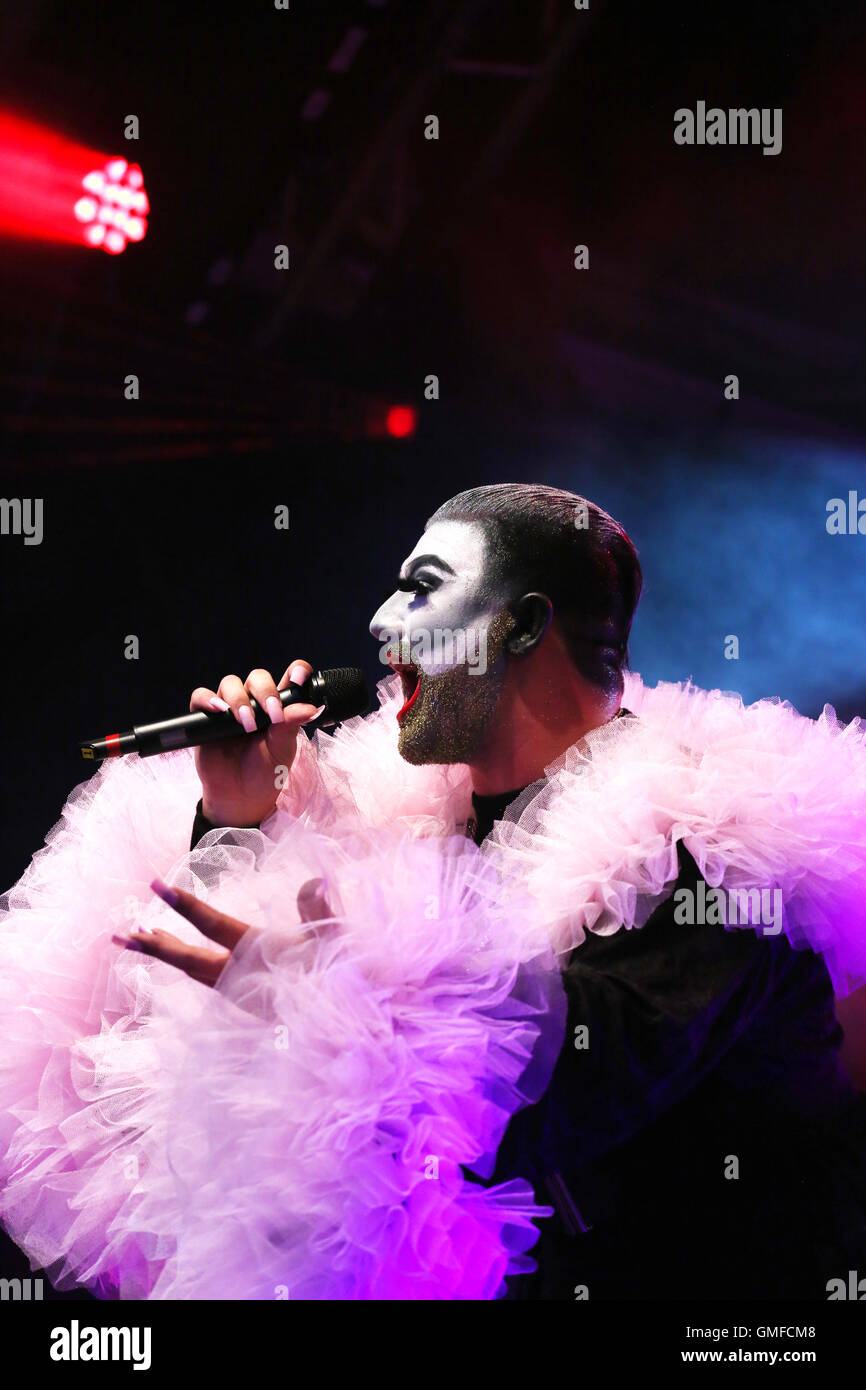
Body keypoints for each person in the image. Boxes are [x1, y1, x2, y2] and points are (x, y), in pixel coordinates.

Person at [1, 483, 865, 1300]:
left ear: (522, 625)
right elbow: (265, 1064)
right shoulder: (410, 823)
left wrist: (343, 994)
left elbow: (553, 1094)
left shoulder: (706, 842)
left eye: (423, 589)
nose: (381, 623)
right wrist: (240, 819)